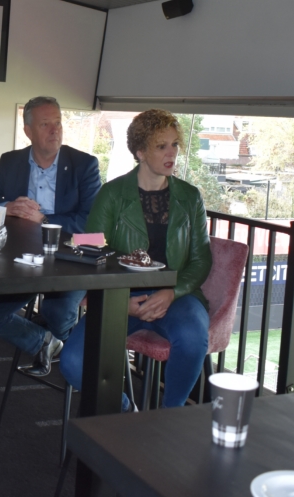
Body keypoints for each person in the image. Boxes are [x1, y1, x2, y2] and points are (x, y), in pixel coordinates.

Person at [60, 109, 211, 409]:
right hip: (121, 296)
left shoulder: (190, 197)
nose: (172, 153)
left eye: (175, 145)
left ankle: (170, 417)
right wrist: (115, 301)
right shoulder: (112, 194)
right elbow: (92, 251)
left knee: (193, 339)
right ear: (140, 151)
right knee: (73, 361)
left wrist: (172, 292)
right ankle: (126, 410)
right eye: (161, 146)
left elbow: (201, 260)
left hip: (176, 295)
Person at [0, 96, 101, 376]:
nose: (55, 131)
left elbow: (92, 223)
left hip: (69, 258)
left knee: (58, 313)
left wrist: (45, 220)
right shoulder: (12, 161)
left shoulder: (84, 165)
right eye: (45, 124)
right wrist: (7, 207)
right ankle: (47, 343)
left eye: (58, 123)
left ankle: (78, 363)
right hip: (20, 258)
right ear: (28, 130)